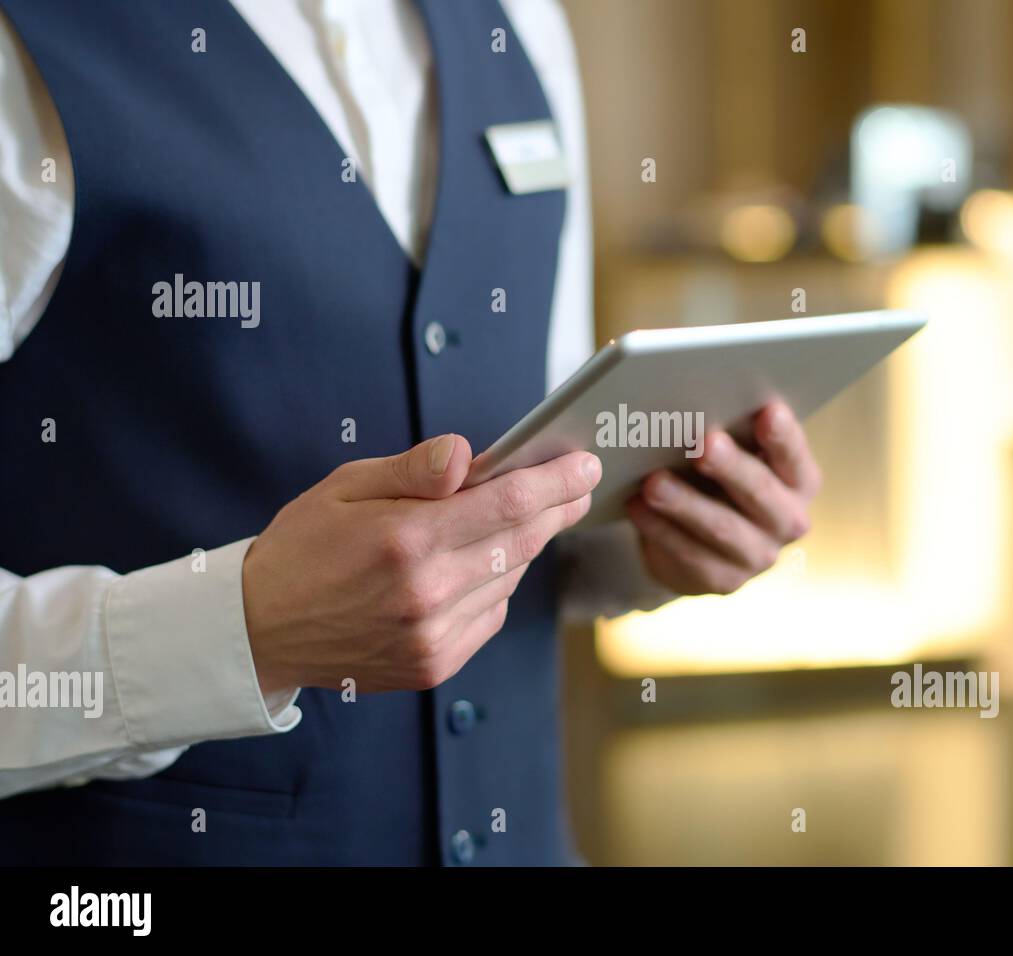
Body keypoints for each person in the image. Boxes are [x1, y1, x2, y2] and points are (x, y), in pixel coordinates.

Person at [0, 0, 820, 865]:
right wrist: (242, 631)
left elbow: (542, 440)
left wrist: (655, 540)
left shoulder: (523, 21)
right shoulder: (31, 43)